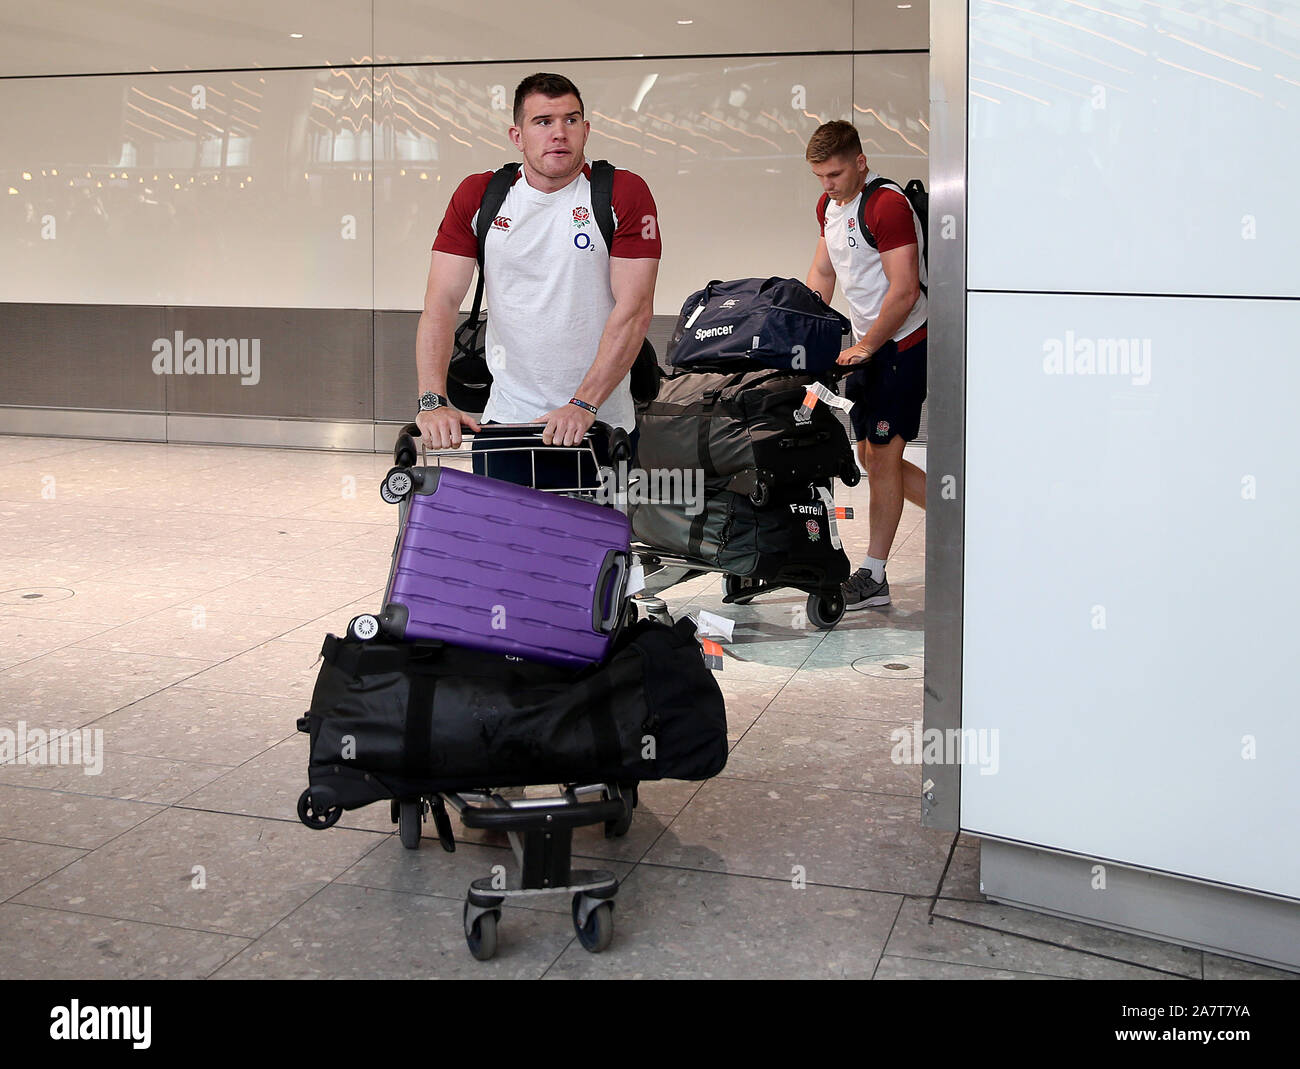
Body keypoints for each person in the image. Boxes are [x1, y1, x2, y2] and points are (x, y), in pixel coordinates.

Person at [414, 72, 660, 488]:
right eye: (543, 122)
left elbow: (634, 310)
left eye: (570, 120)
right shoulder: (480, 196)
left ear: (586, 130)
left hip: (599, 424)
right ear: (517, 135)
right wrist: (432, 400)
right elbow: (440, 303)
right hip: (507, 426)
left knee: (598, 552)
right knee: (506, 549)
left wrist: (584, 404)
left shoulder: (623, 192)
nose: (559, 133)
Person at [803, 120, 927, 610]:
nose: (828, 185)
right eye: (819, 177)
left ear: (860, 162)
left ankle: (873, 575)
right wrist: (805, 330)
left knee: (884, 453)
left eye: (834, 173)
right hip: (866, 345)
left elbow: (905, 289)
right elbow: (822, 270)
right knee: (872, 457)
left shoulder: (887, 206)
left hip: (901, 343)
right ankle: (958, 520)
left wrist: (868, 346)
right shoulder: (829, 207)